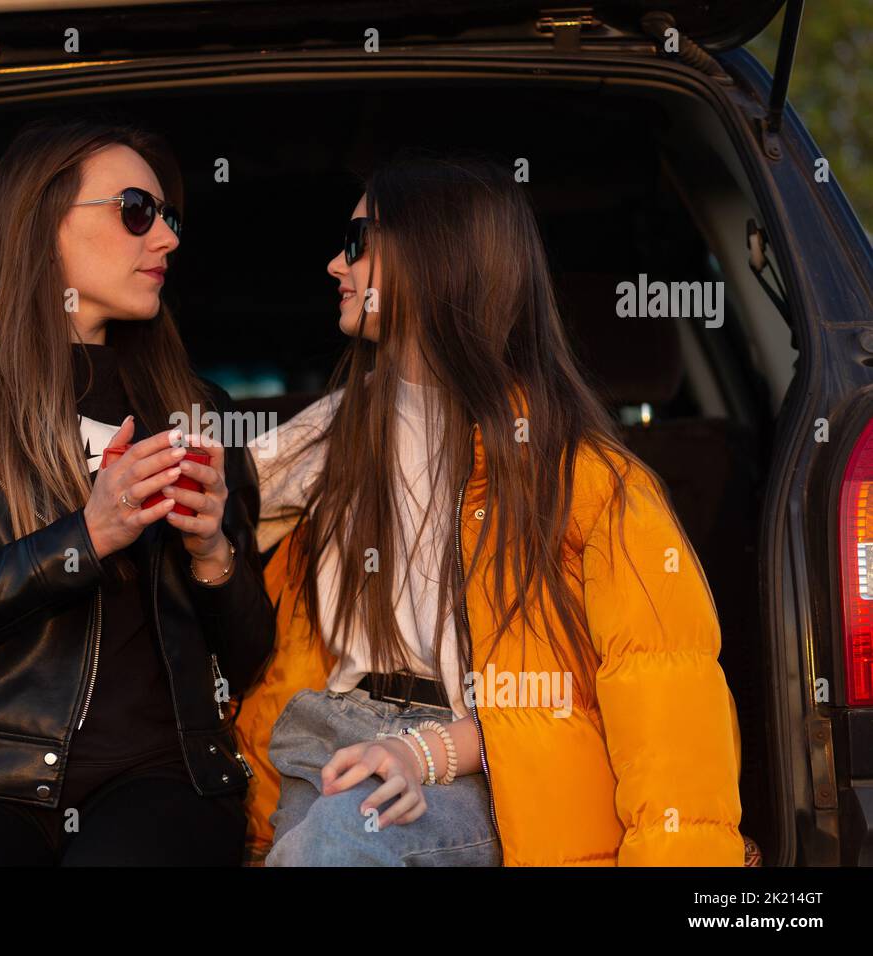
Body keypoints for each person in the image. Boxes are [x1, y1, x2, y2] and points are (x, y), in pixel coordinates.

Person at [236, 151, 745, 866]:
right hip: (325, 742)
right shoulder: (333, 433)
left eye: (357, 243)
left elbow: (666, 704)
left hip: (491, 768)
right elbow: (212, 515)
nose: (332, 265)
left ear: (432, 258)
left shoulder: (589, 481)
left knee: (338, 842)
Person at [0, 114, 275, 866]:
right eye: (136, 213)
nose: (168, 239)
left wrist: (213, 549)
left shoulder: (198, 410)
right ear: (42, 223)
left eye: (169, 217)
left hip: (159, 777)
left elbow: (247, 658)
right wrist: (83, 540)